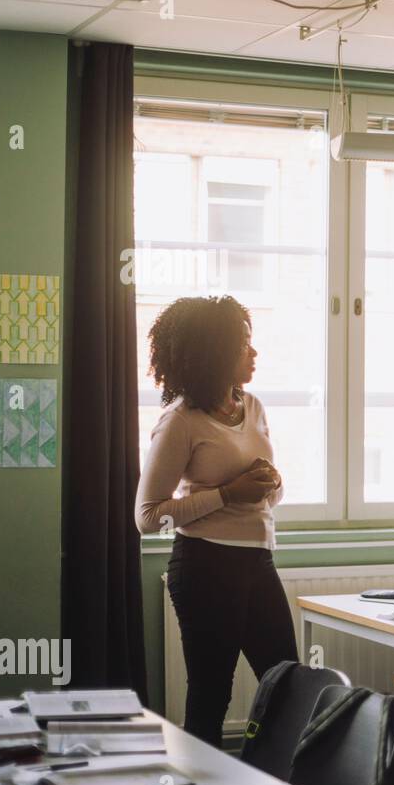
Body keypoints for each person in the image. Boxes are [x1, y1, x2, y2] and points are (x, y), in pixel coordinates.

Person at [135, 296, 295, 747]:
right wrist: (227, 493)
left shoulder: (255, 407)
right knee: (211, 695)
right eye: (244, 344)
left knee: (286, 684)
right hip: (204, 566)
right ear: (216, 351)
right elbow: (147, 517)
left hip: (257, 562)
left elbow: (269, 497)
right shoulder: (181, 420)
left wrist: (271, 485)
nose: (254, 353)